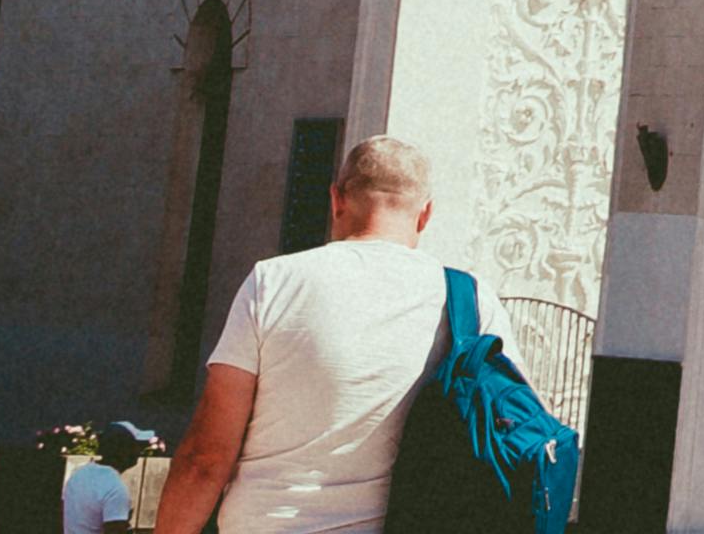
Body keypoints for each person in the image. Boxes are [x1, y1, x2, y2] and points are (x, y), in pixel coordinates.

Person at [146, 134, 511, 534]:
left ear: (336, 199)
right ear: (425, 214)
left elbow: (206, 457)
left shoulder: (274, 282)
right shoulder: (472, 302)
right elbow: (509, 435)